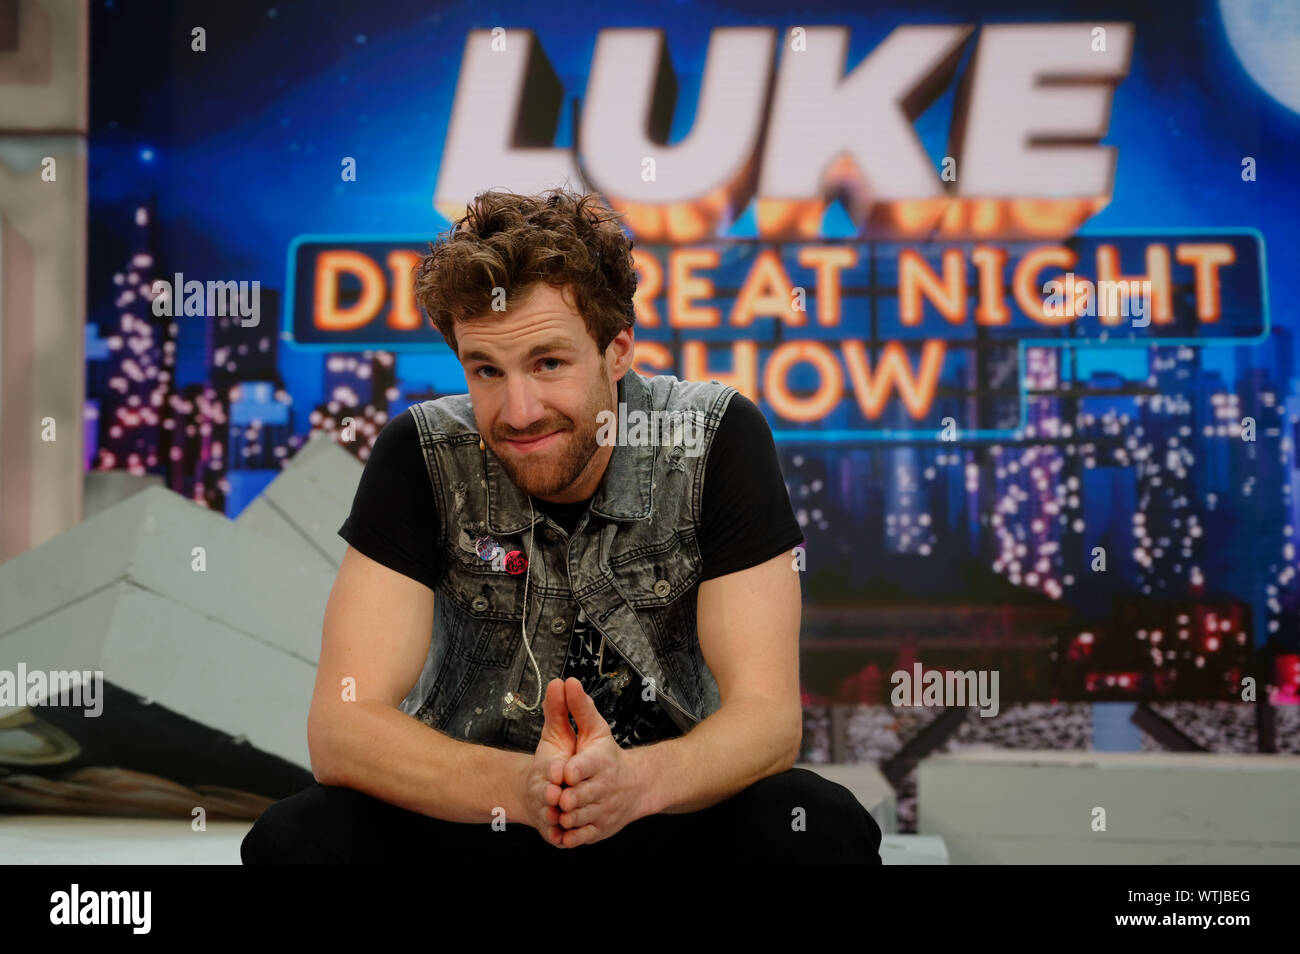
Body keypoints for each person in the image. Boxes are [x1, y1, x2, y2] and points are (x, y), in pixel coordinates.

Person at [241, 187, 882, 864]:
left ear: (618, 349)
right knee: (299, 836)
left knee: (817, 822)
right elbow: (342, 728)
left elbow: (768, 720)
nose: (519, 411)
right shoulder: (420, 454)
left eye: (549, 363)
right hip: (483, 813)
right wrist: (523, 789)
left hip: (660, 806)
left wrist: (631, 784)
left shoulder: (713, 437)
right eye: (487, 370)